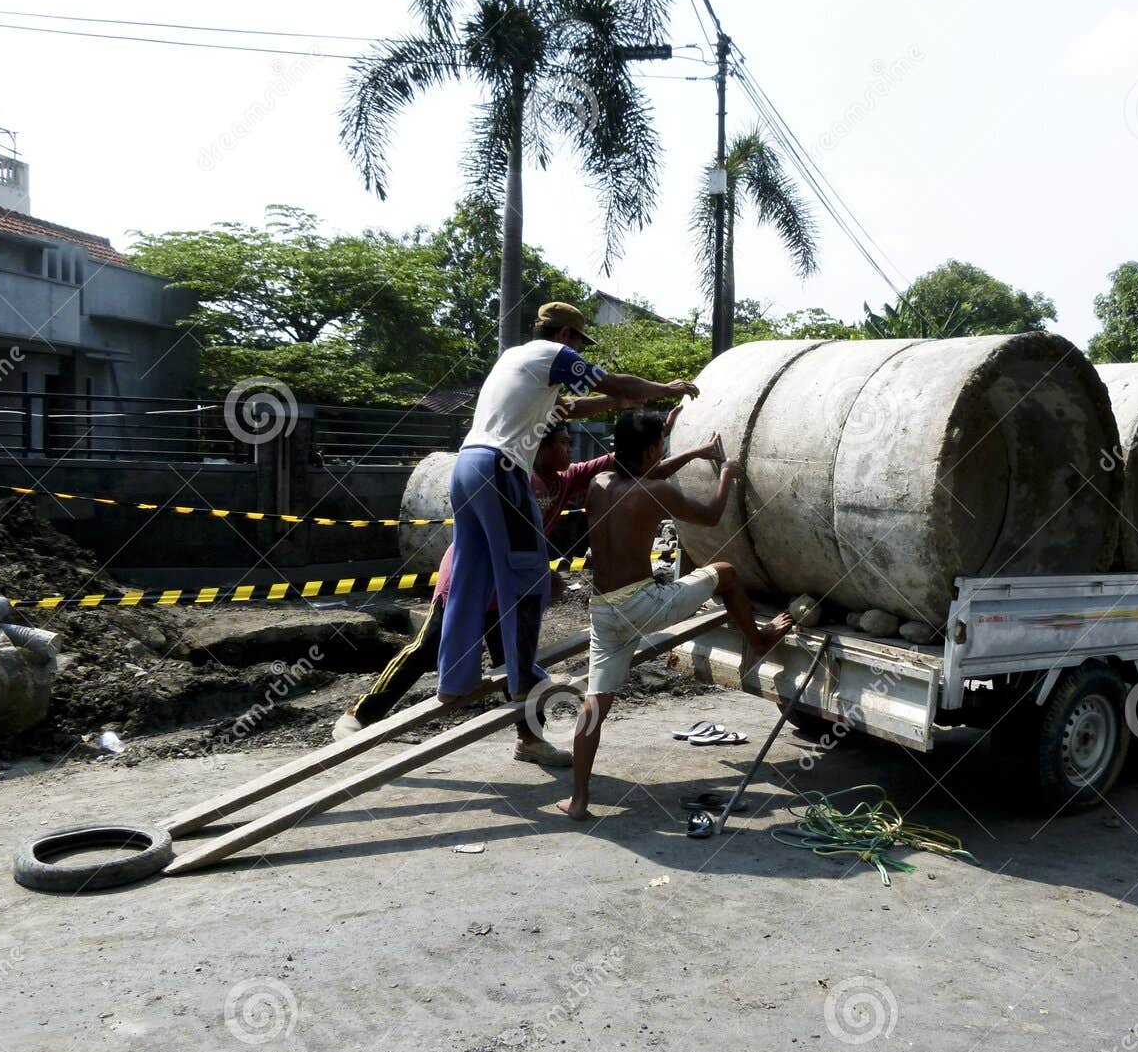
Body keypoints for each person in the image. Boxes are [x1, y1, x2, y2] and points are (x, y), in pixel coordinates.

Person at [331, 405, 700, 746]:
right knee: (426, 650)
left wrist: (661, 435)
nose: (571, 450)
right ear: (540, 447)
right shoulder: (513, 480)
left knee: (515, 665)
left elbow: (631, 464)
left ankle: (530, 741)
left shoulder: (565, 480)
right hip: (468, 580)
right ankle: (361, 714)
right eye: (564, 443)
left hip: (510, 590)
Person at [434, 303, 698, 764]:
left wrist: (623, 402)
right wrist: (663, 389)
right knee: (529, 576)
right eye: (578, 341)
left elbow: (574, 407)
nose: (579, 351)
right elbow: (613, 383)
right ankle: (520, 677)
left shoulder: (517, 362)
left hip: (467, 466)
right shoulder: (548, 354)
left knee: (473, 573)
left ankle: (454, 678)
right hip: (500, 471)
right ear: (563, 334)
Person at [560, 411, 794, 821]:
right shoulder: (657, 491)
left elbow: (644, 475)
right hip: (643, 603)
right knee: (726, 573)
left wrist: (694, 452)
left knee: (594, 704)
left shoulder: (597, 485)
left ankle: (579, 800)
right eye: (661, 448)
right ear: (651, 450)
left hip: (603, 610)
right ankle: (758, 639)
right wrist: (727, 475)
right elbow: (710, 515)